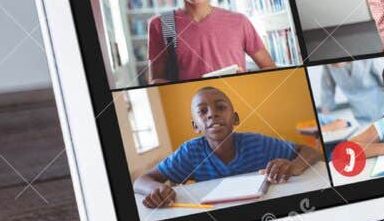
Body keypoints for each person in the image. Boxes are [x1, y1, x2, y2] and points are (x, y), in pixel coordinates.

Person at [133, 86, 320, 208]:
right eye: (203, 111)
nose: (212, 115)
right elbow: (141, 180)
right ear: (196, 126)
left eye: (220, 108)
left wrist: (294, 166)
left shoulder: (257, 144)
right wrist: (156, 190)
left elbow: (311, 151)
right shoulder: (190, 153)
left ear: (235, 118)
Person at [146, 0, 276, 84]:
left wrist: (246, 77)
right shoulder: (161, 24)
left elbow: (270, 68)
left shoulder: (239, 21)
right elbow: (156, 81)